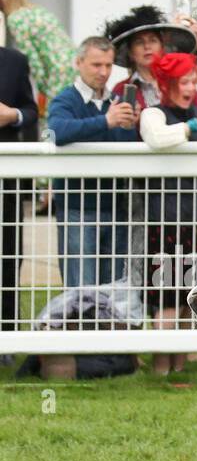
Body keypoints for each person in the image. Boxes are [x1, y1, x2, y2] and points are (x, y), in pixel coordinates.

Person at [138, 52, 197, 375]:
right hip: (166, 222)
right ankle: (160, 367)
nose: (191, 87)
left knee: (193, 294)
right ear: (167, 84)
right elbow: (158, 139)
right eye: (184, 81)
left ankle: (179, 368)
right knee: (166, 297)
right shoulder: (153, 113)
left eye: (194, 80)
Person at [47, 37, 139, 289]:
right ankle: (79, 328)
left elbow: (122, 148)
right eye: (96, 64)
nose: (103, 72)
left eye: (108, 65)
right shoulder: (66, 98)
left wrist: (129, 126)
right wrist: (106, 121)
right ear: (78, 62)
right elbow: (57, 131)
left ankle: (106, 329)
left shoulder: (116, 102)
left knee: (112, 287)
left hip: (115, 204)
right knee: (81, 289)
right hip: (78, 205)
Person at [105, 5, 197, 110]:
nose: (147, 46)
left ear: (162, 47)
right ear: (130, 53)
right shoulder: (122, 89)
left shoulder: (181, 82)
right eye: (139, 42)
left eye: (153, 40)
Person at [0, 44, 37, 345]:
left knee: (8, 257)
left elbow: (31, 111)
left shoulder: (14, 60)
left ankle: (8, 338)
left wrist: (12, 115)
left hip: (6, 181)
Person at [0, 0, 76, 101]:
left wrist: (42, 90)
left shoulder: (16, 19)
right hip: (74, 67)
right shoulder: (39, 11)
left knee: (52, 115)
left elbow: (32, 59)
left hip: (56, 74)